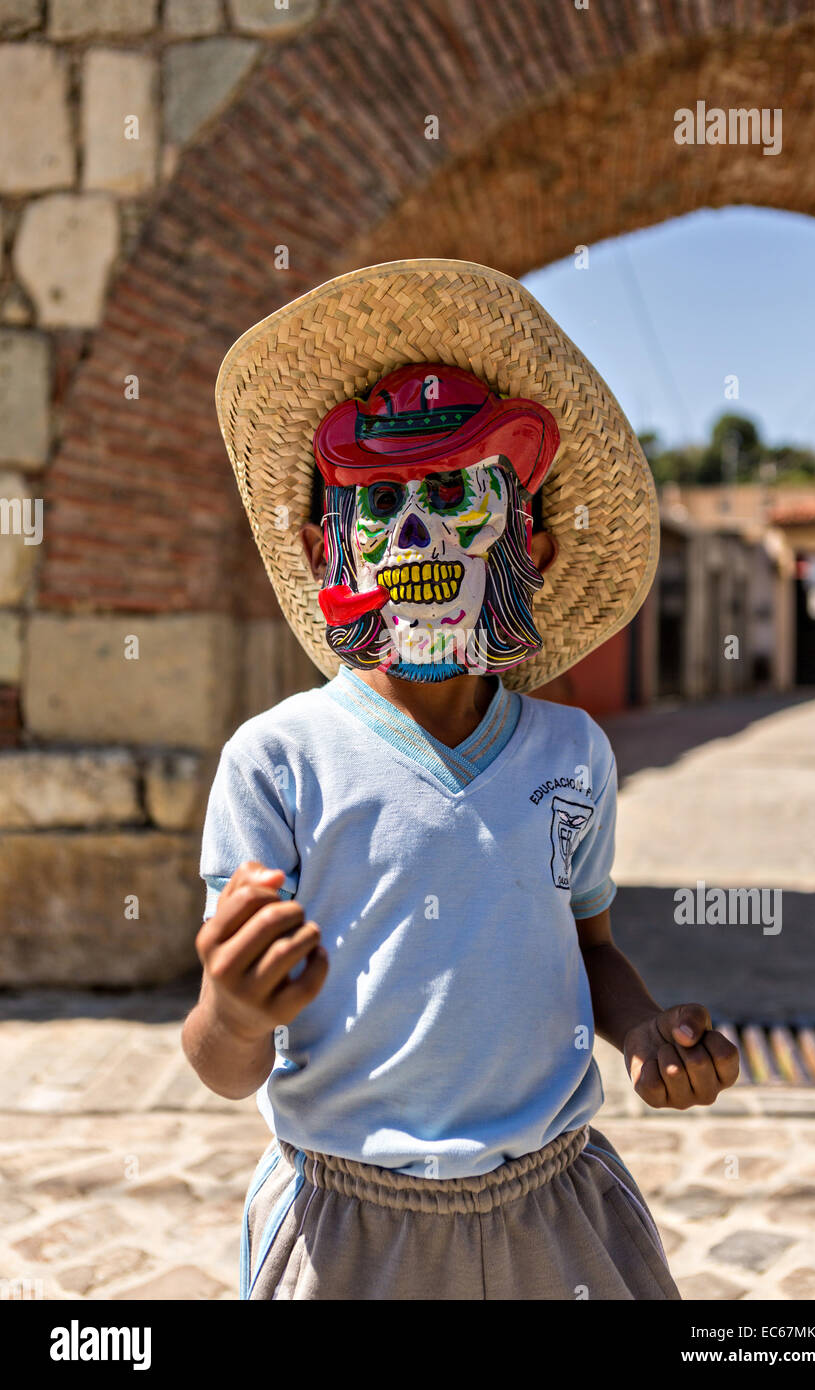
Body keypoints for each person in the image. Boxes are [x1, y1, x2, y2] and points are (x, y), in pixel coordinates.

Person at [182, 259, 739, 1300]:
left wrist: (641, 1030)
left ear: (530, 543)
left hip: (555, 1208)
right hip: (348, 1230)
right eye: (380, 503)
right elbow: (223, 1064)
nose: (417, 537)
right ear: (323, 551)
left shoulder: (572, 755)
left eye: (452, 495)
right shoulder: (277, 762)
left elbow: (589, 947)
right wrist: (235, 1007)